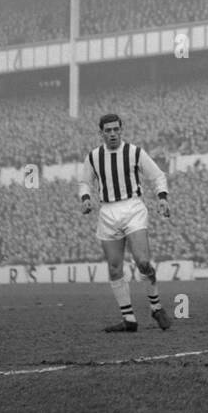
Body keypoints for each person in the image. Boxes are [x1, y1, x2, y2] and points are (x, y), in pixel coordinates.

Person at [79, 113, 173, 332]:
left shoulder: (134, 152)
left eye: (116, 129)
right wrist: (85, 199)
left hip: (132, 208)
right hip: (107, 211)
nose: (112, 134)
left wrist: (162, 198)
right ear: (101, 132)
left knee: (142, 262)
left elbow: (158, 176)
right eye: (108, 130)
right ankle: (129, 319)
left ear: (121, 130)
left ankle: (156, 306)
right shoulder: (93, 157)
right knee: (114, 267)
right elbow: (84, 183)